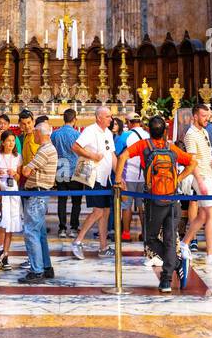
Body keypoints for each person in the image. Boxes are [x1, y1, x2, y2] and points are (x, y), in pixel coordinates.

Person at [114, 115, 196, 294]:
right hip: (173, 198)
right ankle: (166, 281)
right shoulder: (171, 147)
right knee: (169, 238)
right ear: (165, 131)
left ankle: (174, 263)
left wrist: (118, 180)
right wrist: (178, 179)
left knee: (150, 238)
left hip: (154, 199)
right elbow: (193, 162)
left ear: (148, 131)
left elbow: (122, 157)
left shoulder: (144, 146)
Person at [179, 104, 212, 266]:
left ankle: (184, 243)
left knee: (204, 215)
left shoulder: (204, 132)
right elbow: (192, 161)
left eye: (208, 115)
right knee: (211, 213)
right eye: (204, 116)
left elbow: (206, 154)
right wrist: (199, 181)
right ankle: (210, 254)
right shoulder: (190, 135)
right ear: (195, 117)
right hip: (201, 178)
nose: (207, 119)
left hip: (209, 175)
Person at [72, 108, 117, 260]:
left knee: (105, 212)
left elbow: (112, 155)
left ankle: (103, 247)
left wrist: (118, 175)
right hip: (94, 176)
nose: (111, 119)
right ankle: (77, 241)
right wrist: (92, 155)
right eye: (108, 116)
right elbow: (76, 146)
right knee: (98, 211)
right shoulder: (90, 131)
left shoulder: (108, 133)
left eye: (111, 116)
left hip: (106, 178)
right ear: (99, 118)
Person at [18, 121, 57, 283]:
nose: (33, 134)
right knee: (39, 233)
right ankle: (46, 266)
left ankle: (37, 270)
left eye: (35, 132)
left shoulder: (45, 150)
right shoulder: (47, 149)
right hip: (41, 194)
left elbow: (26, 171)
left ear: (40, 133)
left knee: (31, 232)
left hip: (37, 194)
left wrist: (21, 167)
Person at [0, 130, 21, 270]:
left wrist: (14, 174)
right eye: (8, 140)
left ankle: (6, 255)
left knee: (11, 223)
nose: (11, 143)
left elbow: (19, 177)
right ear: (2, 142)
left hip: (13, 191)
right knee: (1, 222)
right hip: (0, 191)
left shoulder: (17, 157)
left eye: (13, 141)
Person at [117, 114, 149, 243]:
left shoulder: (125, 136)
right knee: (143, 206)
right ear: (140, 122)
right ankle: (145, 233)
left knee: (126, 206)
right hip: (144, 176)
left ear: (129, 122)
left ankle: (126, 233)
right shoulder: (148, 135)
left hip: (128, 175)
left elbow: (118, 154)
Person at [52, 109, 82, 237]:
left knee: (62, 200)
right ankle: (74, 228)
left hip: (60, 168)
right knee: (76, 201)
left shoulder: (55, 134)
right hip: (75, 169)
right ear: (74, 119)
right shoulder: (77, 134)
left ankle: (62, 228)